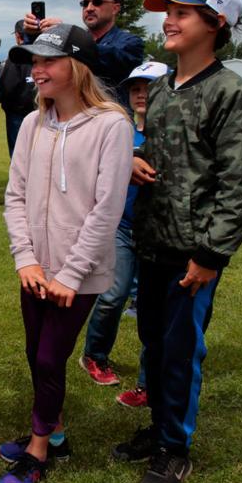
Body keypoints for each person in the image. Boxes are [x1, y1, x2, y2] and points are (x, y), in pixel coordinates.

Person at [110, 0, 242, 483]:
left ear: (217, 23)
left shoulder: (232, 92)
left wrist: (210, 255)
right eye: (166, 10)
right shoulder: (159, 89)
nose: (168, 20)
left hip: (191, 254)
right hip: (151, 241)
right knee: (154, 343)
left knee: (179, 352)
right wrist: (132, 160)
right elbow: (166, 155)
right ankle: (158, 431)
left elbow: (236, 187)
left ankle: (175, 450)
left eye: (184, 12)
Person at [0, 23, 135, 483]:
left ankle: (38, 451)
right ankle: (53, 432)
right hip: (34, 269)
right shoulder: (33, 123)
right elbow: (15, 196)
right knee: (35, 354)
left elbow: (106, 208)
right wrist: (25, 260)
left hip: (79, 275)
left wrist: (71, 274)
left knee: (52, 357)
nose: (36, 71)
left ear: (76, 67)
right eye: (33, 62)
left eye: (46, 61)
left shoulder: (112, 125)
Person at [80, 61, 169, 401]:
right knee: (112, 295)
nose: (141, 93)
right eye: (135, 88)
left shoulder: (171, 135)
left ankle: (147, 383)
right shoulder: (119, 130)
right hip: (120, 227)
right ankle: (94, 355)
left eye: (149, 87)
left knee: (151, 306)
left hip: (157, 234)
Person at [37, 0, 146, 107]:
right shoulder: (74, 42)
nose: (89, 8)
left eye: (97, 2)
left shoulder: (131, 43)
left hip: (110, 121)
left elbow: (110, 57)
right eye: (85, 3)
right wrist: (31, 36)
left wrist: (67, 35)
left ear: (115, 8)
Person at [0, 19, 41, 156]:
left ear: (17, 35)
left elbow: (7, 86)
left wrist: (4, 102)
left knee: (19, 154)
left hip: (18, 113)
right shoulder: (43, 53)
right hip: (42, 111)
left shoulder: (16, 56)